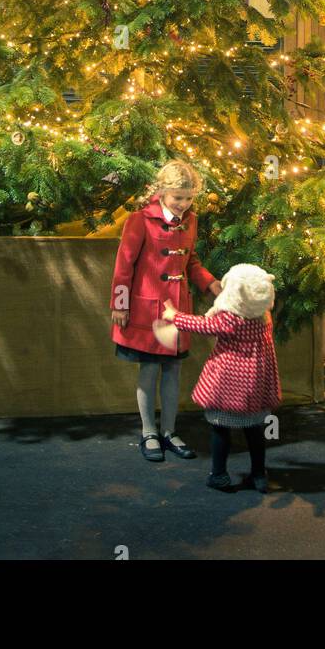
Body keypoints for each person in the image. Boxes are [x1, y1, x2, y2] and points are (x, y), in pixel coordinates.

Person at [109, 159, 221, 462]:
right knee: (148, 371)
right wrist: (120, 304)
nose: (183, 204)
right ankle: (149, 432)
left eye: (188, 198)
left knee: (173, 371)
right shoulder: (140, 220)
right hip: (147, 311)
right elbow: (124, 265)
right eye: (177, 198)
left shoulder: (191, 221)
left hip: (177, 310)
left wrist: (210, 283)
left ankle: (169, 432)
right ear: (161, 192)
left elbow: (191, 261)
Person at [154, 263, 281, 493]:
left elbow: (203, 325)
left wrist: (175, 316)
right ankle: (259, 475)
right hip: (256, 388)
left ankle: (219, 475)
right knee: (255, 431)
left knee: (220, 429)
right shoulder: (263, 315)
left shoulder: (231, 319)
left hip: (228, 388)